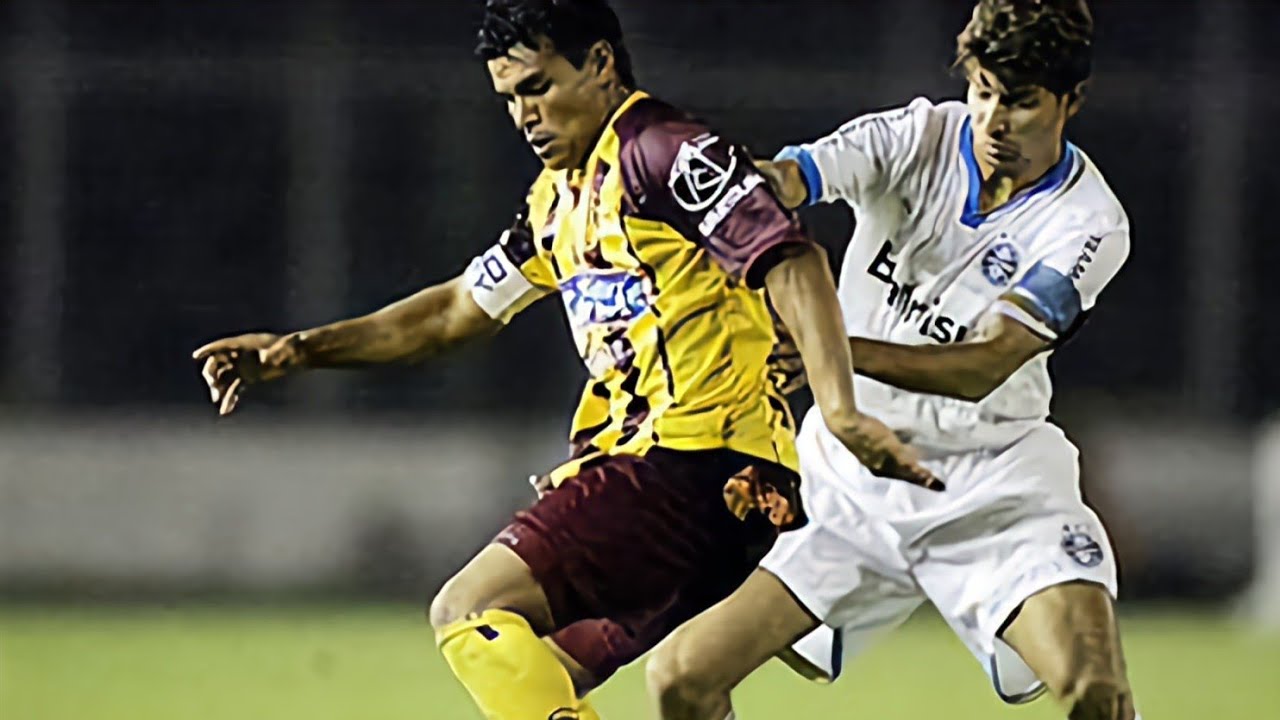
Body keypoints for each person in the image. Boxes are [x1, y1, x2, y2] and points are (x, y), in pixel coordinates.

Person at [193, 1, 935, 718]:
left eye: (538, 86)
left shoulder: (663, 152)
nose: (524, 116)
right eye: (510, 98)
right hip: (698, 491)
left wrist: (838, 408)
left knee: (468, 607)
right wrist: (300, 350)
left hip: (691, 466)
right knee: (536, 673)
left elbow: (792, 257)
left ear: (602, 64)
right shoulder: (555, 202)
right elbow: (456, 311)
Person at [646, 1, 1140, 719]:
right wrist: (689, 187)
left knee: (1095, 689)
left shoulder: (1089, 224)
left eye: (1022, 102)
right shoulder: (917, 134)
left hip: (989, 485)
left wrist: (827, 346)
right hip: (845, 481)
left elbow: (984, 364)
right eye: (983, 90)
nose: (995, 121)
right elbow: (785, 181)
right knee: (680, 679)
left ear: (1072, 99)